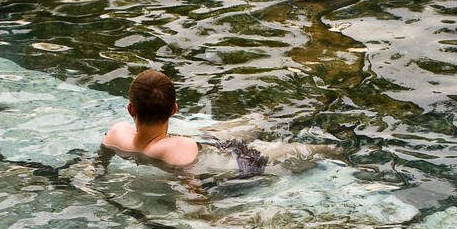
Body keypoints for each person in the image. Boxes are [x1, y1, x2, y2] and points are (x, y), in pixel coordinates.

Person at [98, 69, 338, 179]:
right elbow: (194, 194)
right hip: (233, 152)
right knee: (322, 149)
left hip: (227, 153)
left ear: (130, 109)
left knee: (263, 129)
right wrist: (209, 219)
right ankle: (321, 111)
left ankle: (325, 130)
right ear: (174, 110)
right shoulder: (177, 149)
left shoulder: (116, 135)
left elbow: (98, 164)